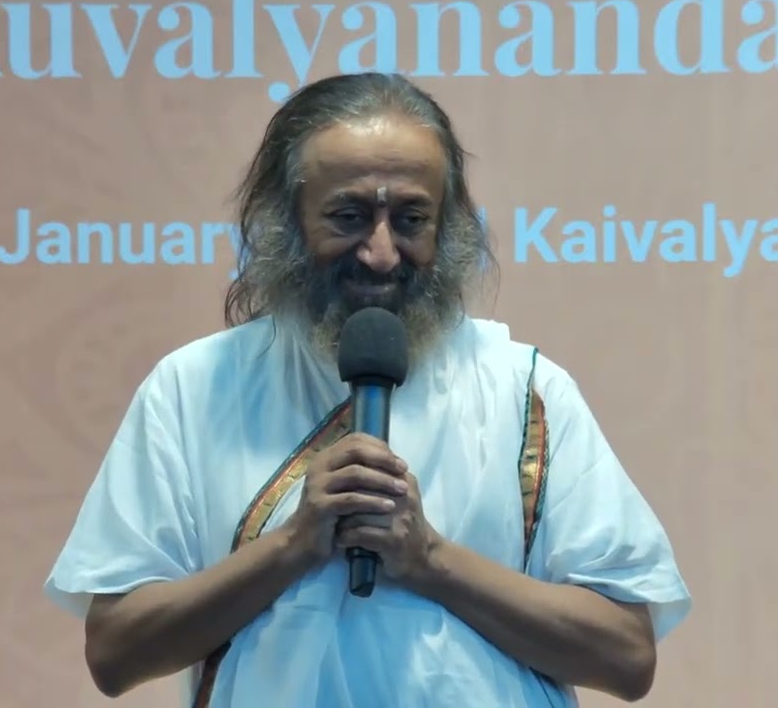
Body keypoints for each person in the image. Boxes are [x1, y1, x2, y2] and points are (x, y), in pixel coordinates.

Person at [43, 71, 692, 707]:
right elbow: (117, 654)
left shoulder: (527, 390)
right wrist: (293, 546)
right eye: (349, 216)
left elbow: (626, 657)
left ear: (448, 226)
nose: (381, 252)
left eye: (411, 218)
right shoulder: (193, 388)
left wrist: (430, 559)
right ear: (285, 220)